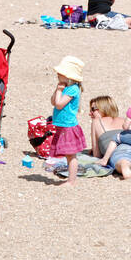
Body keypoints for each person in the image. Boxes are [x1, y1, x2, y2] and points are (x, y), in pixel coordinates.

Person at [49, 56, 86, 186]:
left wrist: (59, 90)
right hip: (62, 124)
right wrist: (57, 90)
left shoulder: (73, 89)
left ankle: (71, 181)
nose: (58, 75)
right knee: (68, 154)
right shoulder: (66, 87)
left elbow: (59, 104)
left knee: (71, 155)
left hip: (68, 126)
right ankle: (71, 178)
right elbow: (53, 101)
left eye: (62, 73)